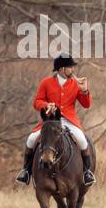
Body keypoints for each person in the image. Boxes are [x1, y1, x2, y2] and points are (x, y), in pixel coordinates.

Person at [16, 55, 96, 186]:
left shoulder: (76, 84)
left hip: (69, 121)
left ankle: (87, 172)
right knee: (31, 139)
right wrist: (46, 105)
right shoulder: (46, 82)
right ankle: (26, 171)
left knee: (81, 139)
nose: (73, 70)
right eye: (70, 67)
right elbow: (37, 102)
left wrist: (85, 91)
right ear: (62, 69)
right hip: (50, 121)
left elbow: (86, 105)